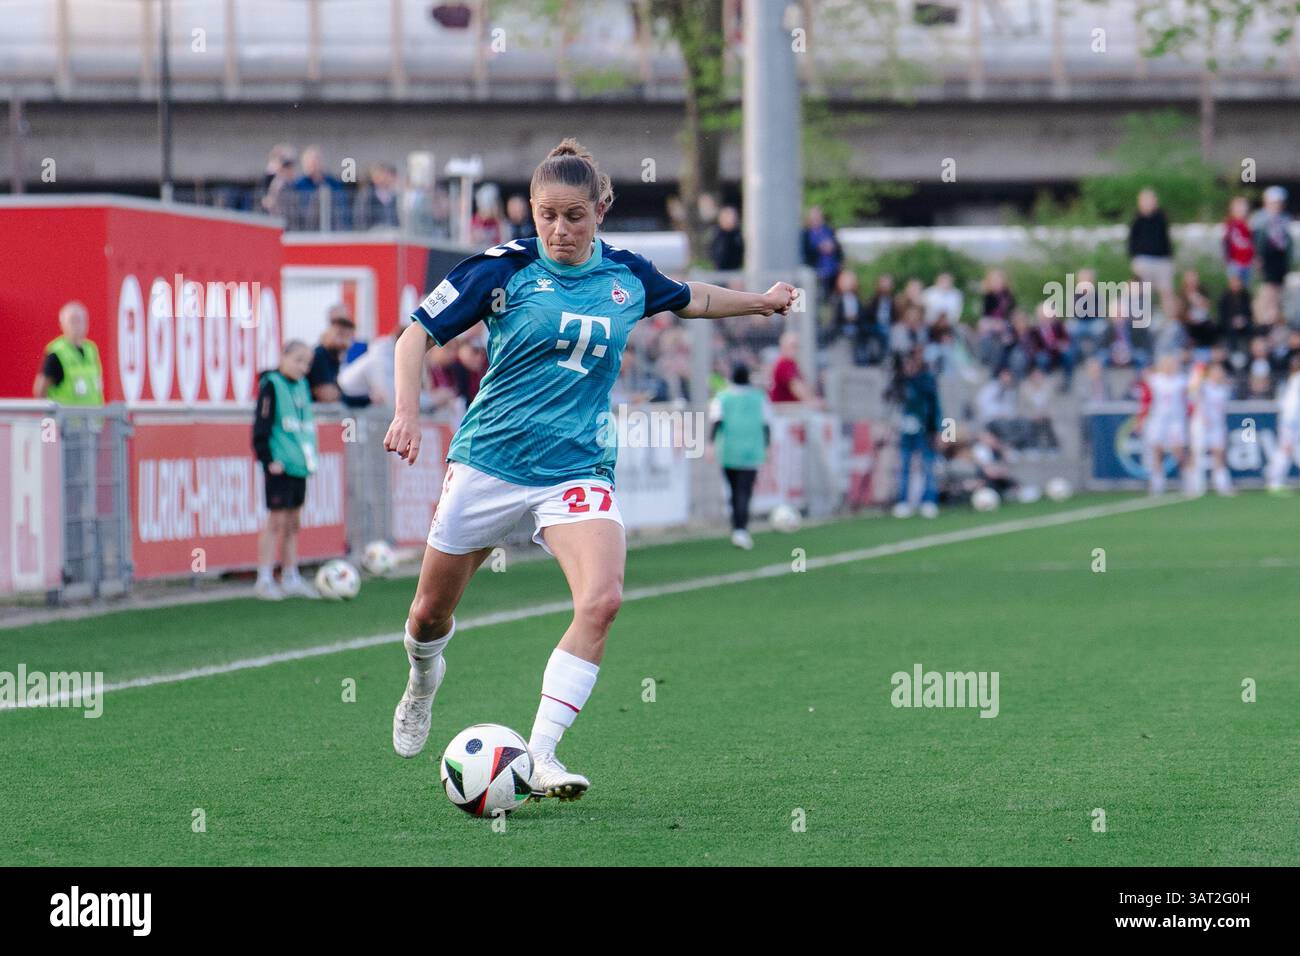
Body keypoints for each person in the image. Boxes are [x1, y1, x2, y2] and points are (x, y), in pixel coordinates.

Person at [382, 138, 797, 799]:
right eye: (546, 215)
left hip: (577, 468)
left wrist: (761, 300)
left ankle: (540, 755)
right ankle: (422, 682)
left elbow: (692, 298)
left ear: (602, 209)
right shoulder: (501, 269)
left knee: (601, 602)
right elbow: (414, 337)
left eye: (574, 215)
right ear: (531, 210)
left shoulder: (627, 276)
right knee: (429, 612)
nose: (559, 229)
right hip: (489, 461)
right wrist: (406, 411)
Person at [251, 341, 320, 600]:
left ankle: (291, 575)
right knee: (276, 521)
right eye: (298, 360)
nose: (303, 367)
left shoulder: (302, 385)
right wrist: (267, 458)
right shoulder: (271, 384)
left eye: (307, 363)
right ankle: (265, 577)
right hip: (279, 464)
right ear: (284, 357)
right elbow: (262, 424)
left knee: (293, 522)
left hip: (298, 464)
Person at [709, 363, 771, 550]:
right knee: (745, 490)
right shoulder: (759, 398)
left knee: (734, 490)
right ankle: (741, 528)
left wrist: (710, 444)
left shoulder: (722, 398)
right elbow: (766, 425)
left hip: (729, 451)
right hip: (752, 451)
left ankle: (737, 528)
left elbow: (716, 423)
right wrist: (768, 447)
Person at [891, 348, 942, 519]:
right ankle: (903, 501)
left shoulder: (927, 382)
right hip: (905, 431)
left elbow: (937, 408)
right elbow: (891, 405)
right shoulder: (900, 382)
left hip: (925, 430)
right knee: (904, 465)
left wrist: (942, 431)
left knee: (928, 465)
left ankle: (929, 500)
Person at [1138, 353, 1191, 496]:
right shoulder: (1155, 380)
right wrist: (1142, 418)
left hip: (1175, 420)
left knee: (1179, 450)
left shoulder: (1181, 380)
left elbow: (1188, 398)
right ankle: (1157, 482)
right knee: (1157, 450)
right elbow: (1146, 399)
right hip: (1159, 419)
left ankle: (1188, 480)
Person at [34, 301, 104, 405]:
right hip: (66, 420)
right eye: (72, 321)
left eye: (80, 320)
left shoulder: (91, 349)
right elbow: (40, 390)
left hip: (93, 419)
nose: (77, 325)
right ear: (62, 324)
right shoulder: (57, 353)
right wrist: (52, 414)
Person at [1128, 188, 1174, 319]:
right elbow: (1132, 242)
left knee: (1166, 293)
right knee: (1144, 294)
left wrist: (1169, 258)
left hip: (1162, 260)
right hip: (1143, 260)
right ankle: (1145, 323)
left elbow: (1166, 239)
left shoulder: (1161, 218)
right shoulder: (1136, 219)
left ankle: (1169, 322)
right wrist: (1134, 260)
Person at [306, 305, 357, 403]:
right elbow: (326, 395)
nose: (345, 342)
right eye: (340, 335)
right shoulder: (320, 355)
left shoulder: (335, 358)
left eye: (349, 337)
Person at [1268, 353, 1300, 494]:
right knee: (1285, 450)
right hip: (1291, 422)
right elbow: (1290, 405)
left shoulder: (1291, 380)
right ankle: (1274, 481)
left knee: (1290, 450)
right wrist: (1290, 423)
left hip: (1291, 421)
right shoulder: (1295, 380)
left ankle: (1274, 480)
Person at [801, 206, 842, 309]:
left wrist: (832, 247)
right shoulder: (806, 233)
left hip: (831, 273)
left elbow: (839, 249)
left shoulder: (829, 231)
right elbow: (805, 253)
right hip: (815, 272)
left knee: (829, 300)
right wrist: (819, 248)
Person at [768, 330, 813, 403]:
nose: (795, 349)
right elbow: (797, 388)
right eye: (793, 346)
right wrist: (813, 401)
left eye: (797, 346)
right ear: (783, 346)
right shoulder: (784, 364)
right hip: (785, 410)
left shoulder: (790, 364)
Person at [1223, 196, 1254, 284]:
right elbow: (1225, 242)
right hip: (1235, 262)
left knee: (1245, 287)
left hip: (1247, 262)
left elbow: (1253, 243)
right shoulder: (1230, 224)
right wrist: (1227, 260)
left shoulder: (1249, 224)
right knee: (1235, 286)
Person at [711, 205, 745, 271]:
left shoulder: (737, 234)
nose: (732, 219)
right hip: (722, 274)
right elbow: (719, 259)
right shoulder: (719, 236)